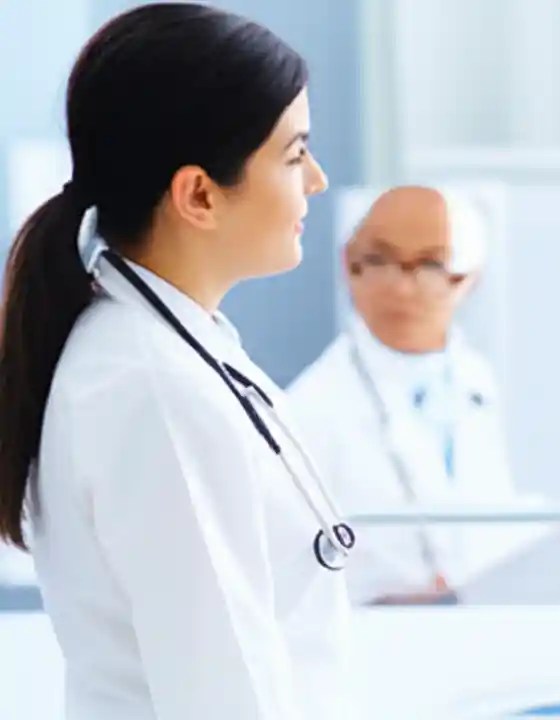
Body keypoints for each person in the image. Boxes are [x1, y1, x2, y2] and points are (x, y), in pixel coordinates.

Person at [0, 5, 353, 718]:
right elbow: (221, 693)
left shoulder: (172, 352)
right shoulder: (154, 386)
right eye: (293, 154)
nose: (315, 179)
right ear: (198, 195)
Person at [288, 185, 527, 605]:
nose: (401, 288)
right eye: (378, 260)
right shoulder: (310, 406)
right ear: (348, 264)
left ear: (469, 279)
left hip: (486, 628)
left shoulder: (476, 380)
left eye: (430, 264)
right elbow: (294, 574)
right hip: (374, 641)